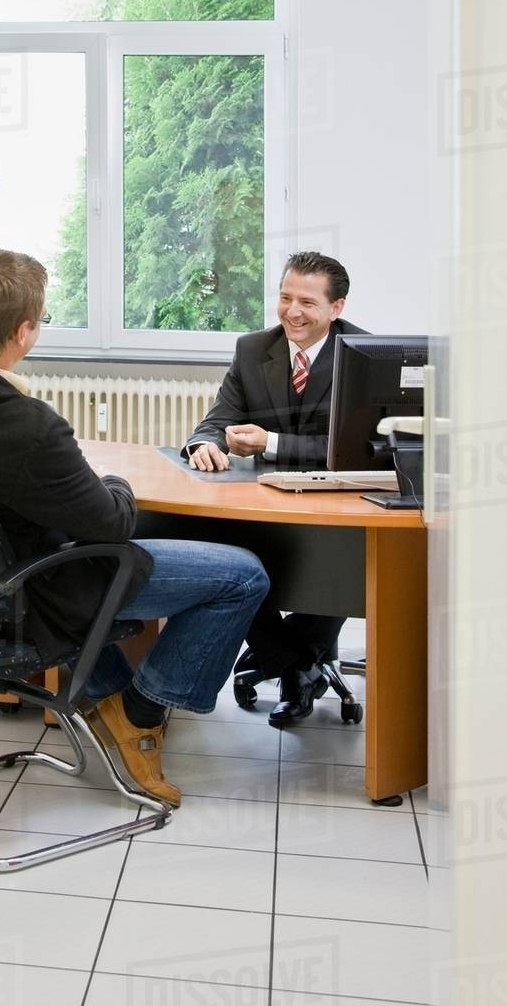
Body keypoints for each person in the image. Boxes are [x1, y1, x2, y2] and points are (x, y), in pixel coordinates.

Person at [0, 248, 269, 808]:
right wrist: (114, 479)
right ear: (23, 333)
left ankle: (103, 693)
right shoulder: (29, 428)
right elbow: (112, 523)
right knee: (244, 577)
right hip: (29, 597)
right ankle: (140, 712)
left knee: (79, 547)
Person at [181, 251, 365, 727]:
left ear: (336, 308)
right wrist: (205, 443)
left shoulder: (363, 353)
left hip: (338, 512)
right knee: (227, 560)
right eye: (285, 298)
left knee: (341, 567)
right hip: (265, 505)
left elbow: (359, 448)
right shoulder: (252, 349)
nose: (292, 312)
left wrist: (274, 442)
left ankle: (283, 662)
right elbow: (218, 419)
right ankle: (296, 665)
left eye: (307, 301)